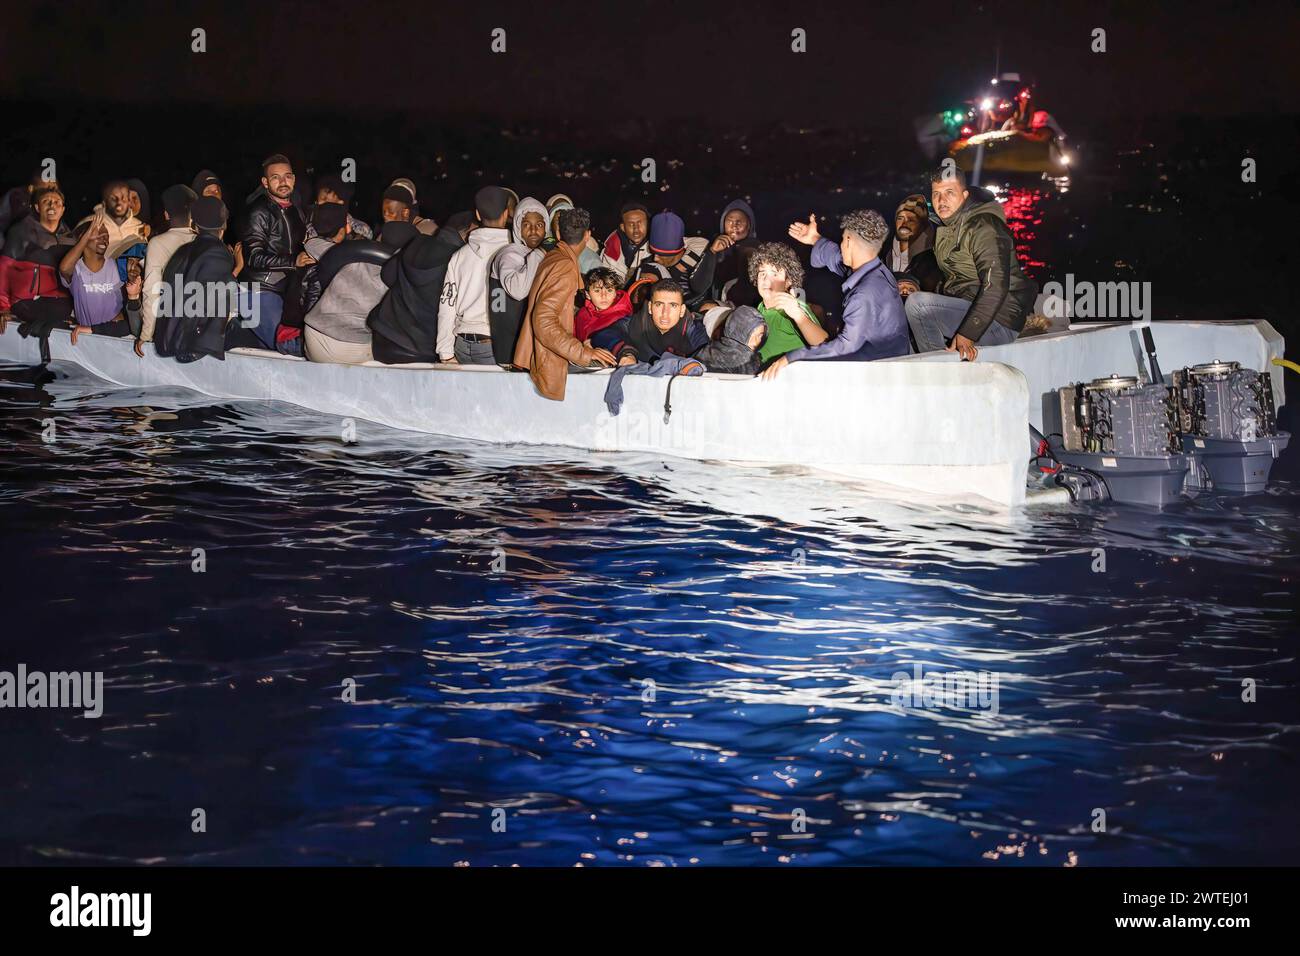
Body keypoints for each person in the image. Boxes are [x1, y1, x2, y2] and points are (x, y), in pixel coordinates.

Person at [905, 166, 1037, 361]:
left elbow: (995, 286)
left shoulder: (984, 226)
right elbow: (958, 280)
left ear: (965, 195)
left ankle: (939, 373)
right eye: (936, 194)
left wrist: (968, 332)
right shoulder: (947, 227)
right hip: (970, 308)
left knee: (918, 306)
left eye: (950, 193)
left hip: (999, 321)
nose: (941, 201)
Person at [766, 208, 908, 378]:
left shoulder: (864, 295)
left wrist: (792, 357)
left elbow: (845, 348)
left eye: (842, 240)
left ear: (848, 241)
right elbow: (837, 258)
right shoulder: (876, 270)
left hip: (880, 375)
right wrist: (814, 239)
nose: (840, 245)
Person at [512, 207, 615, 400]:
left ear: (558, 233)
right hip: (549, 359)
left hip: (546, 354)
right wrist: (583, 353)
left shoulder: (554, 256)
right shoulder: (564, 265)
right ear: (587, 235)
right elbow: (543, 321)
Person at [367, 211, 474, 364]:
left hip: (383, 336)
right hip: (422, 348)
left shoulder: (417, 242)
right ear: (469, 232)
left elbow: (387, 275)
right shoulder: (460, 261)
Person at [305, 221, 417, 365]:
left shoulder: (351, 255)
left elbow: (311, 244)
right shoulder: (404, 278)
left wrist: (359, 247)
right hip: (351, 348)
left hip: (313, 336)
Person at [154, 196, 237, 363]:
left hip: (168, 338)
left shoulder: (182, 251)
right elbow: (212, 299)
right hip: (190, 346)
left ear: (194, 223)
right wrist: (238, 268)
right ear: (224, 224)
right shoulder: (219, 252)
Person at [438, 186, 514, 364]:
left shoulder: (459, 256)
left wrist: (445, 352)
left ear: (478, 215)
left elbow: (447, 305)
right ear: (506, 214)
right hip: (496, 345)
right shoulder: (514, 254)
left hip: (461, 345)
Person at [240, 153, 306, 354]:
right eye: (275, 177)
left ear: (293, 179)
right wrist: (294, 261)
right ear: (265, 182)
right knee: (290, 347)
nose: (283, 182)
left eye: (287, 176)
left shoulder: (296, 211)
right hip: (257, 290)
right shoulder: (258, 211)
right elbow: (253, 256)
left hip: (286, 291)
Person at [0, 187, 73, 355]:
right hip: (27, 300)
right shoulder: (21, 232)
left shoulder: (71, 239)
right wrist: (3, 307)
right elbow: (4, 269)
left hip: (58, 302)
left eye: (56, 202)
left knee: (57, 321)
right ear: (37, 207)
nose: (52, 205)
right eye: (46, 201)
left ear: (63, 209)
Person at [59, 212, 141, 342]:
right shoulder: (76, 269)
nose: (104, 239)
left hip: (114, 337)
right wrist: (86, 234)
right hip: (86, 338)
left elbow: (128, 312)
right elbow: (63, 268)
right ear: (83, 237)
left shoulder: (118, 267)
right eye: (98, 235)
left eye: (106, 236)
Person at [139, 184, 198, 357]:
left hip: (170, 329)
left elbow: (151, 290)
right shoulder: (204, 242)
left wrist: (146, 334)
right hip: (199, 330)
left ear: (166, 214)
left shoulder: (157, 243)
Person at [488, 196, 548, 365]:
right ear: (517, 227)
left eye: (540, 225)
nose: (534, 231)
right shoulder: (509, 254)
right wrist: (541, 252)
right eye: (526, 224)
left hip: (525, 348)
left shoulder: (538, 256)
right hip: (509, 351)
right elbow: (519, 290)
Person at [747, 241, 827, 364]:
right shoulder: (759, 309)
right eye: (762, 273)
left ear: (788, 281)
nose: (766, 279)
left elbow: (824, 345)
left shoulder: (794, 308)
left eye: (775, 274)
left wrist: (798, 315)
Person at [633, 211, 722, 311]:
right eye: (653, 252)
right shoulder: (648, 263)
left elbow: (700, 287)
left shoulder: (700, 257)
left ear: (676, 252)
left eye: (661, 255)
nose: (655, 258)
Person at [610, 278, 710, 365]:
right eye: (659, 304)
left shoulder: (694, 330)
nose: (665, 313)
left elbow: (708, 357)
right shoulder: (632, 323)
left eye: (673, 305)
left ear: (682, 310)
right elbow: (606, 335)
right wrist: (627, 352)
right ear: (650, 307)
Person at [881, 194, 941, 297]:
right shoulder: (882, 250)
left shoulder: (935, 258)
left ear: (922, 225)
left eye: (911, 220)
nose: (904, 224)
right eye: (900, 218)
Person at [694, 305, 768, 375]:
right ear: (737, 332)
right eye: (750, 335)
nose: (755, 341)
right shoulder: (747, 363)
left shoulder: (706, 351)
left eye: (759, 336)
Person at [712, 199, 761, 305]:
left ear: (749, 225)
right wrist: (711, 252)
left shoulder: (756, 249)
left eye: (740, 221)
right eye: (730, 220)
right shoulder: (712, 246)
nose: (735, 225)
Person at [574, 267, 633, 352]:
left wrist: (594, 344)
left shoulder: (622, 317)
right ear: (588, 294)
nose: (604, 296)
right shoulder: (582, 314)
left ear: (615, 293)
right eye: (597, 291)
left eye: (609, 290)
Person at [79, 180, 146, 248]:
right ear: (105, 202)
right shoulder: (91, 224)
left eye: (124, 199)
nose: (119, 203)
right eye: (114, 199)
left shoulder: (138, 226)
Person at [598, 201, 651, 284]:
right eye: (631, 224)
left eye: (640, 223)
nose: (636, 229)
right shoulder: (613, 246)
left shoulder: (656, 242)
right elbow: (608, 278)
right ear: (622, 227)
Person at [312, 174, 373, 240]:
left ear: (341, 201)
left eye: (325, 200)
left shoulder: (362, 230)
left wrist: (350, 235)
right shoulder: (311, 229)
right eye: (317, 202)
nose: (320, 205)